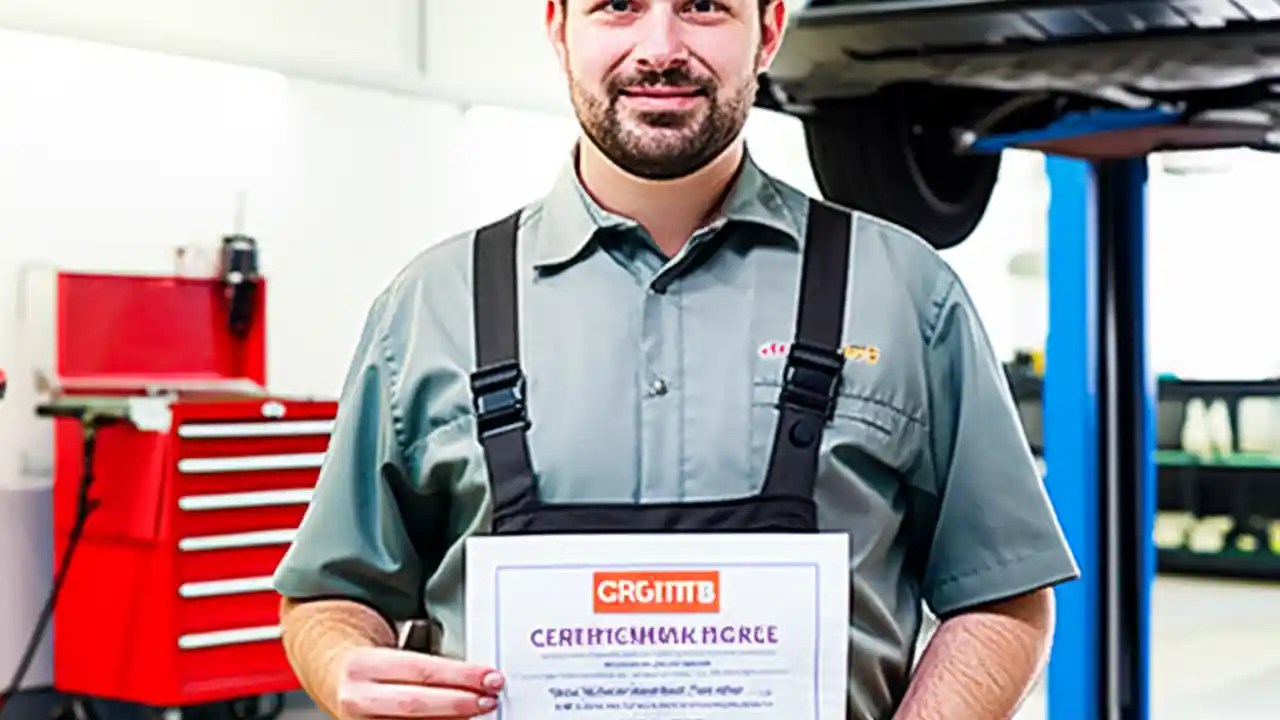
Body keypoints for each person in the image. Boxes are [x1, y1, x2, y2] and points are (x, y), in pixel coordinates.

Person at [271, 0, 1080, 717]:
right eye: (618, 5)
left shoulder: (905, 293)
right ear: (559, 27)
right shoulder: (432, 306)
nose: (660, 49)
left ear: (768, 30)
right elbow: (332, 594)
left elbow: (1003, 594)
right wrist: (342, 667)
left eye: (703, 6)